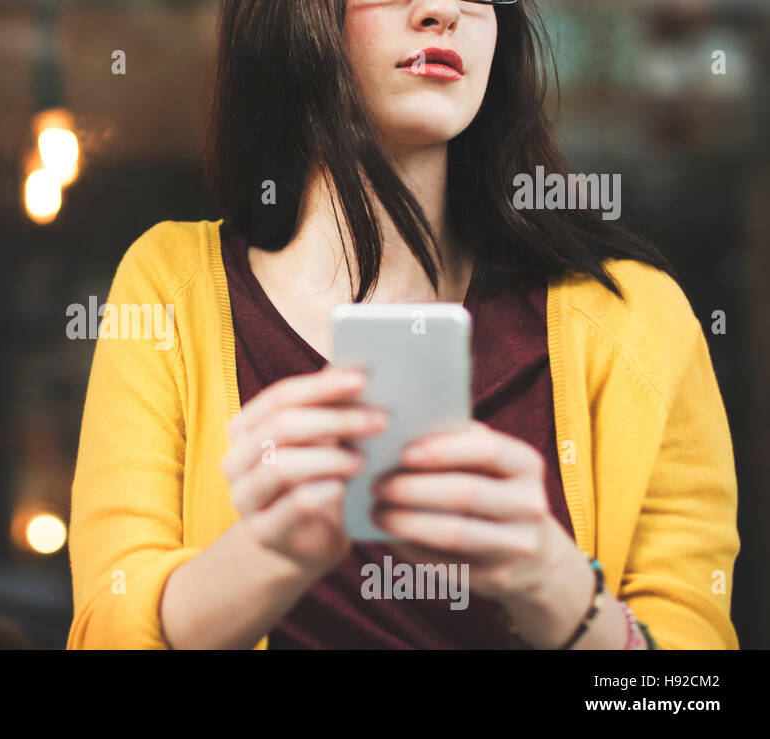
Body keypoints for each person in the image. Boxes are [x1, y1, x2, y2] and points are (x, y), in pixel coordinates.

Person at [67, 0, 739, 649]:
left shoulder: (634, 317)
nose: (442, 9)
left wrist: (556, 588)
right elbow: (107, 626)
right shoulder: (170, 287)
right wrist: (265, 554)